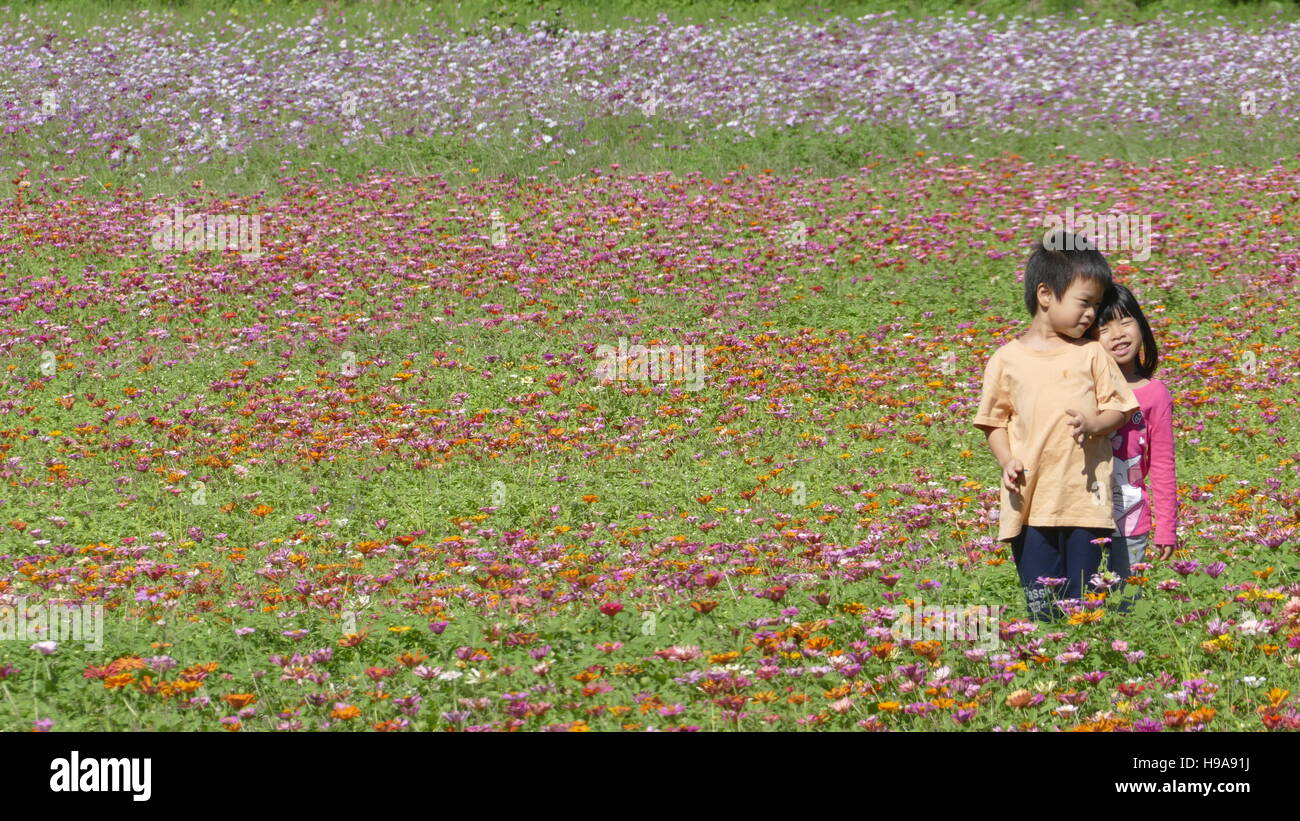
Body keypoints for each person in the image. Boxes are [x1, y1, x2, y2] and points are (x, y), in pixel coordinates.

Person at [973, 231, 1138, 622]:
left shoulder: (1092, 353)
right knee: (1042, 605)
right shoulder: (1006, 359)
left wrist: (1095, 423)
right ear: (1045, 295)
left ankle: (1080, 666)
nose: (1090, 315)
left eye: (1096, 305)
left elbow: (1119, 408)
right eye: (1084, 303)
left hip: (1085, 503)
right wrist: (1007, 460)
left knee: (1083, 603)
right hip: (1029, 504)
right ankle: (1049, 663)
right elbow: (993, 423)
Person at [1091, 283, 1179, 612]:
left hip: (1131, 522)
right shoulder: (1083, 387)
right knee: (1083, 606)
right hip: (1083, 518)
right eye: (1104, 327)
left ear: (1141, 326)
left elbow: (1162, 465)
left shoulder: (1155, 393)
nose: (1117, 334)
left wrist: (1166, 527)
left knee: (1124, 607)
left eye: (1126, 321)